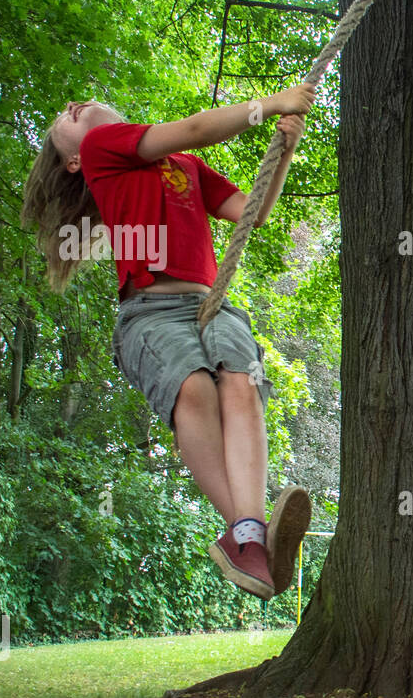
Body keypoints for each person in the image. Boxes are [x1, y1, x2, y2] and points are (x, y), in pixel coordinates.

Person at [20, 87, 317, 600]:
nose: (69, 106)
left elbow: (251, 211)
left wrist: (284, 148)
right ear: (73, 160)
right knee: (195, 391)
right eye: (61, 119)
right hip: (152, 311)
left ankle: (250, 538)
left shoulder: (183, 165)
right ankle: (249, 531)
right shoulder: (102, 150)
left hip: (212, 303)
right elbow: (199, 127)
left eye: (71, 105)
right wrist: (269, 104)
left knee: (242, 383)